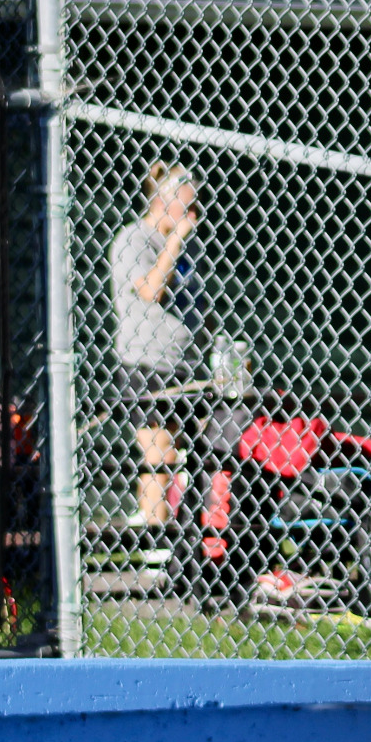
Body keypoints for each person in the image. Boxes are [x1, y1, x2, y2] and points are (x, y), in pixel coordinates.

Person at [110, 162, 208, 526]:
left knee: (191, 456)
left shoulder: (189, 248)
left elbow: (199, 307)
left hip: (185, 366)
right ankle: (153, 538)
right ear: (161, 203)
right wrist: (175, 240)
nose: (194, 214)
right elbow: (151, 289)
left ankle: (176, 537)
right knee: (159, 453)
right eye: (187, 205)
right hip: (146, 362)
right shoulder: (134, 239)